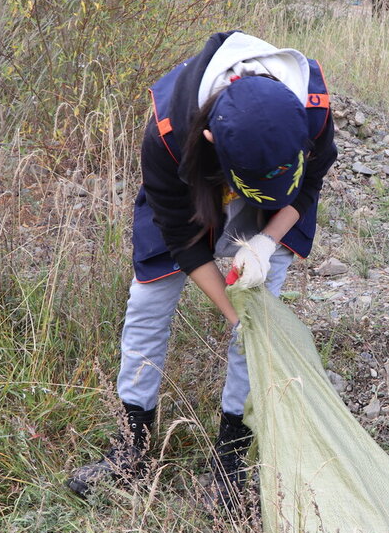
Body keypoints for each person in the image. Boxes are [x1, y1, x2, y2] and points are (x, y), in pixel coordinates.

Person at [67, 31, 337, 508]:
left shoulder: (310, 106)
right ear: (212, 138)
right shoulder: (168, 130)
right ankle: (133, 449)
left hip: (272, 203)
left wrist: (265, 243)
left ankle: (231, 461)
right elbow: (182, 243)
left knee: (261, 312)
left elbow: (308, 186)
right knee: (149, 302)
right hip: (192, 178)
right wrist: (235, 316)